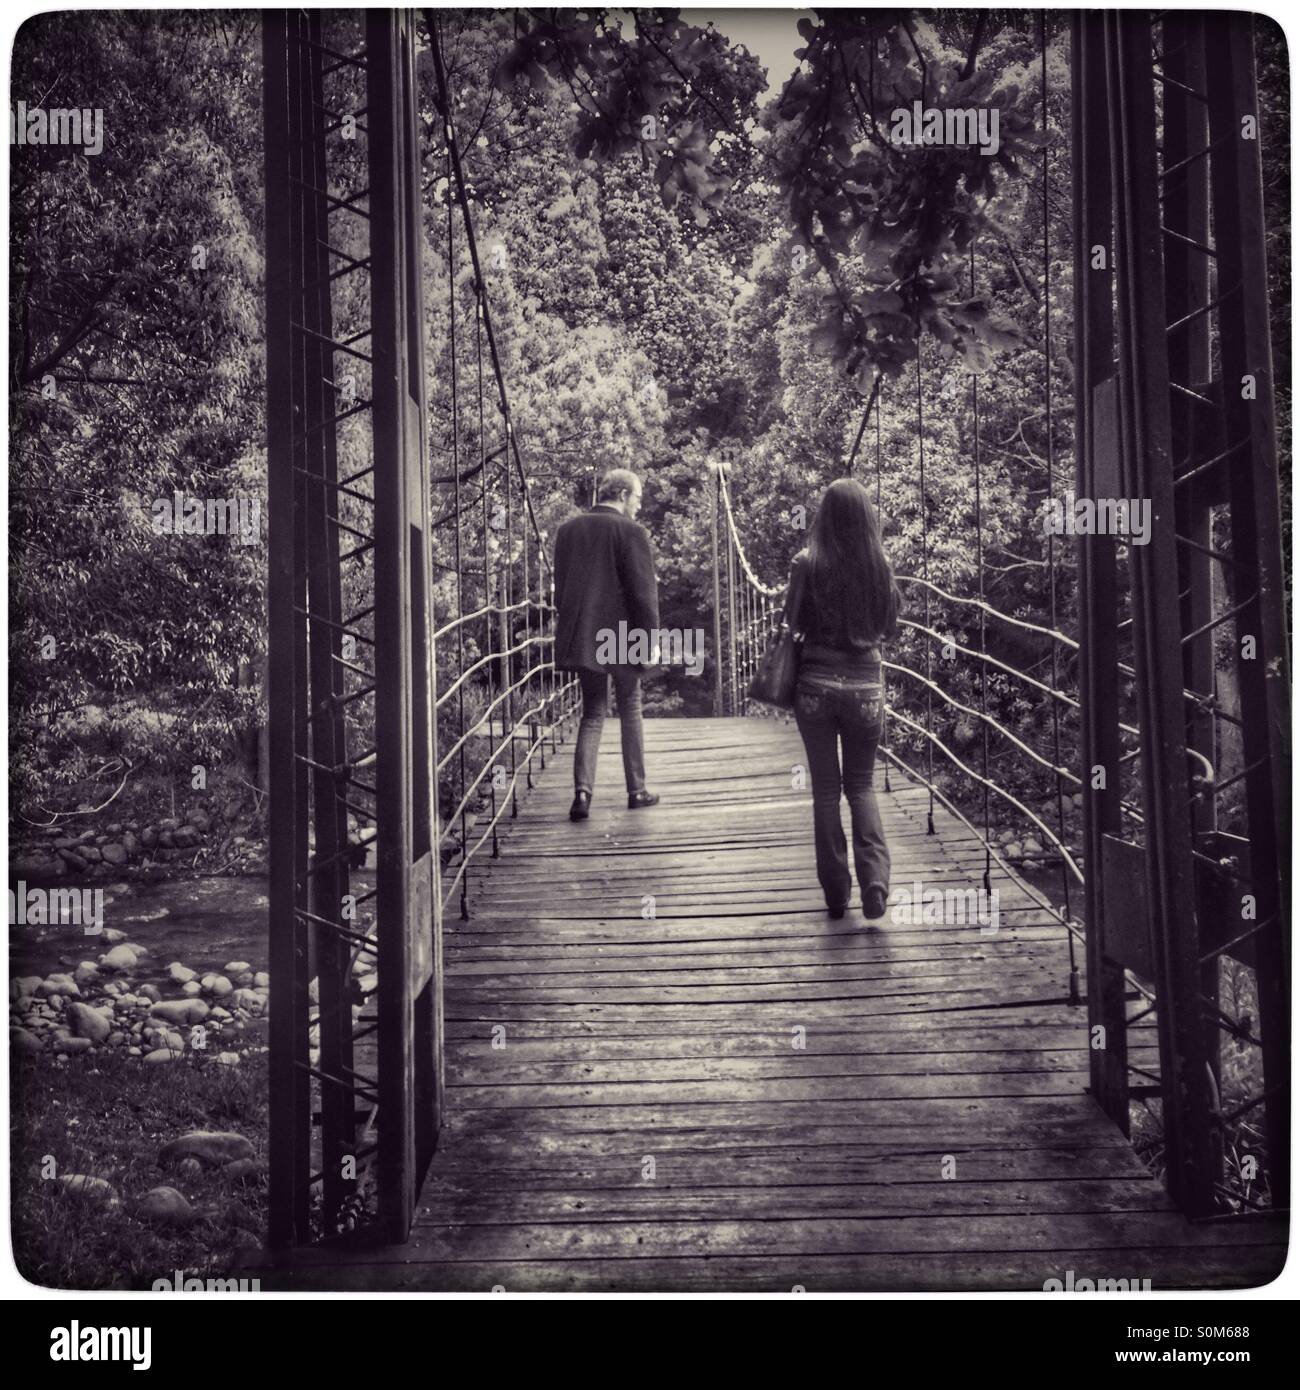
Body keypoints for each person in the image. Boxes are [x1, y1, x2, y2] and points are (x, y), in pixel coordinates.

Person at [786, 478, 902, 922]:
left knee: (825, 791)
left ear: (823, 516)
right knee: (861, 785)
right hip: (865, 689)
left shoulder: (806, 563)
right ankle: (875, 882)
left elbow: (790, 622)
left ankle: (837, 894)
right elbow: (889, 628)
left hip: (814, 686)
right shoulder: (880, 564)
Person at [553, 467, 661, 821]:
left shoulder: (568, 531)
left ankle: (582, 796)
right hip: (624, 636)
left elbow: (562, 591)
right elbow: (644, 595)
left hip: (586, 637)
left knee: (593, 712)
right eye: (638, 499)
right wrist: (650, 638)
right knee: (631, 706)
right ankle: (637, 790)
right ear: (623, 495)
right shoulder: (631, 532)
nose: (639, 507)